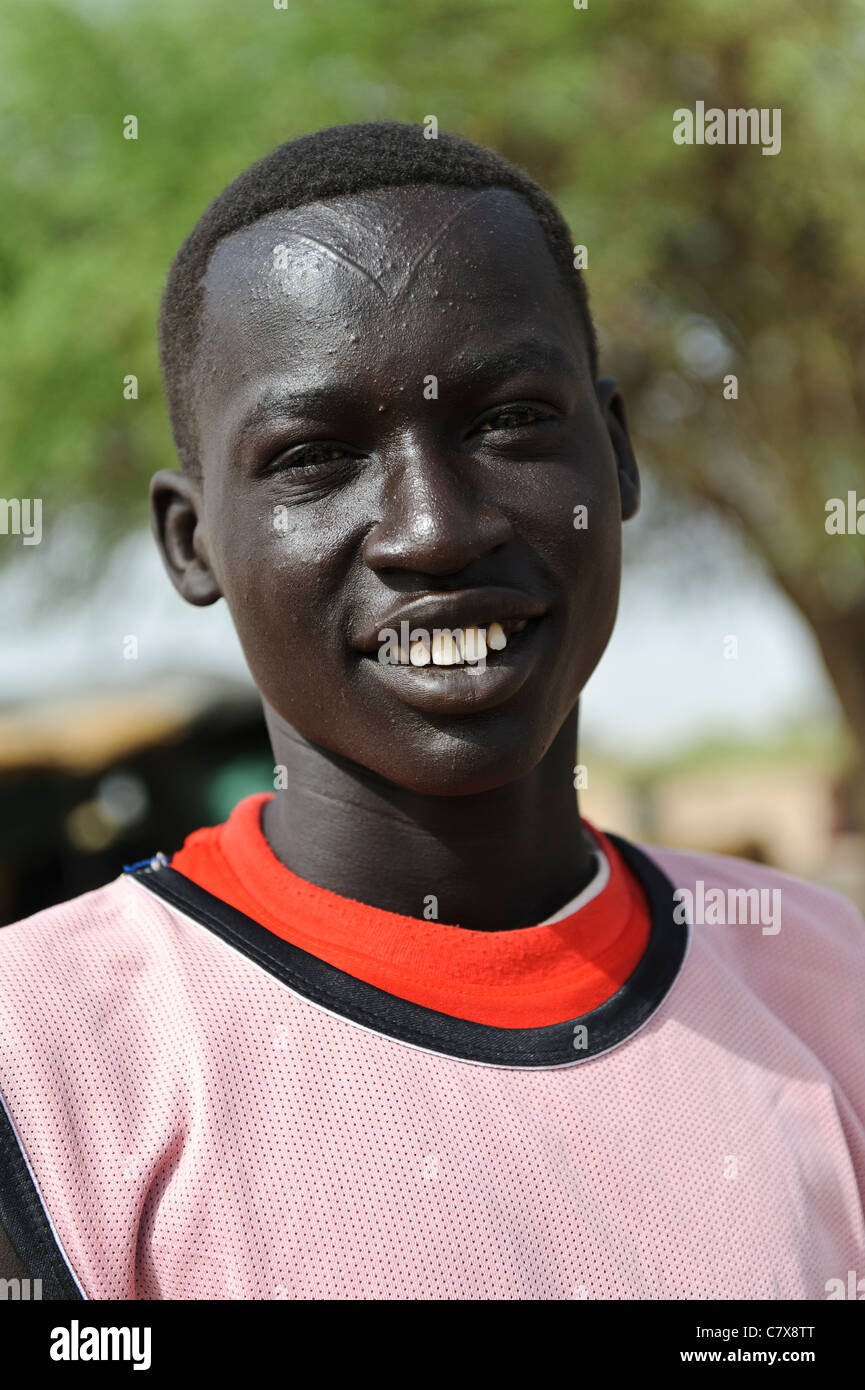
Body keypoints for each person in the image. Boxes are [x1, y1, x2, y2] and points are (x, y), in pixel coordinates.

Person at [1, 122, 863, 1301]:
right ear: (191, 541)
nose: (434, 527)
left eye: (507, 421)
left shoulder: (830, 985)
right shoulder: (44, 1064)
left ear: (614, 454)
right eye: (315, 454)